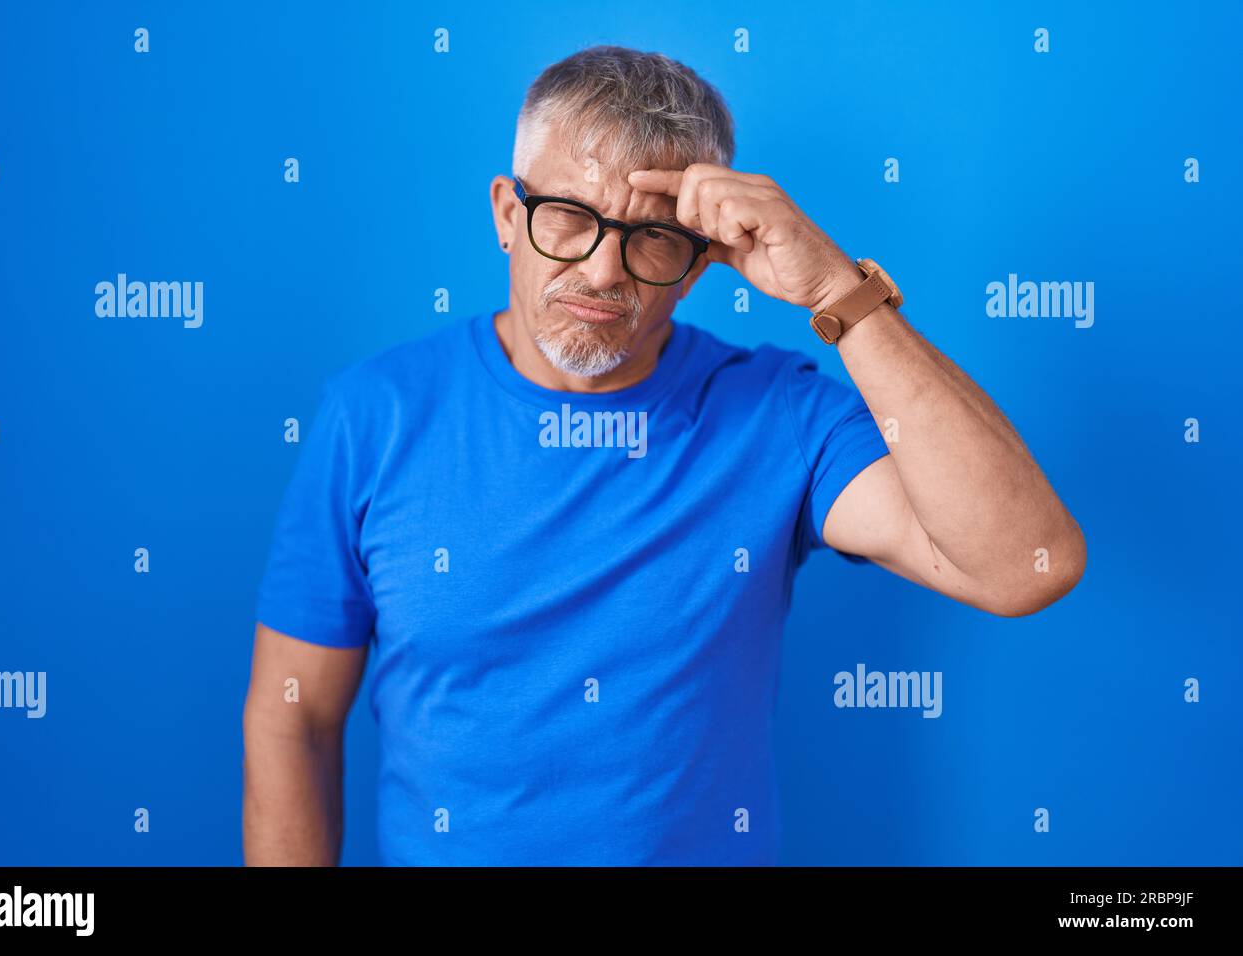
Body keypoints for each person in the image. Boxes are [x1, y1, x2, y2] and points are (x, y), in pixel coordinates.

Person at [242, 45, 1085, 866]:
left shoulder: (776, 414)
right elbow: (294, 719)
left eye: (651, 238)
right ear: (507, 214)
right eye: (569, 218)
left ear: (698, 266)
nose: (605, 271)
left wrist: (839, 294)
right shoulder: (374, 415)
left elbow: (1024, 566)